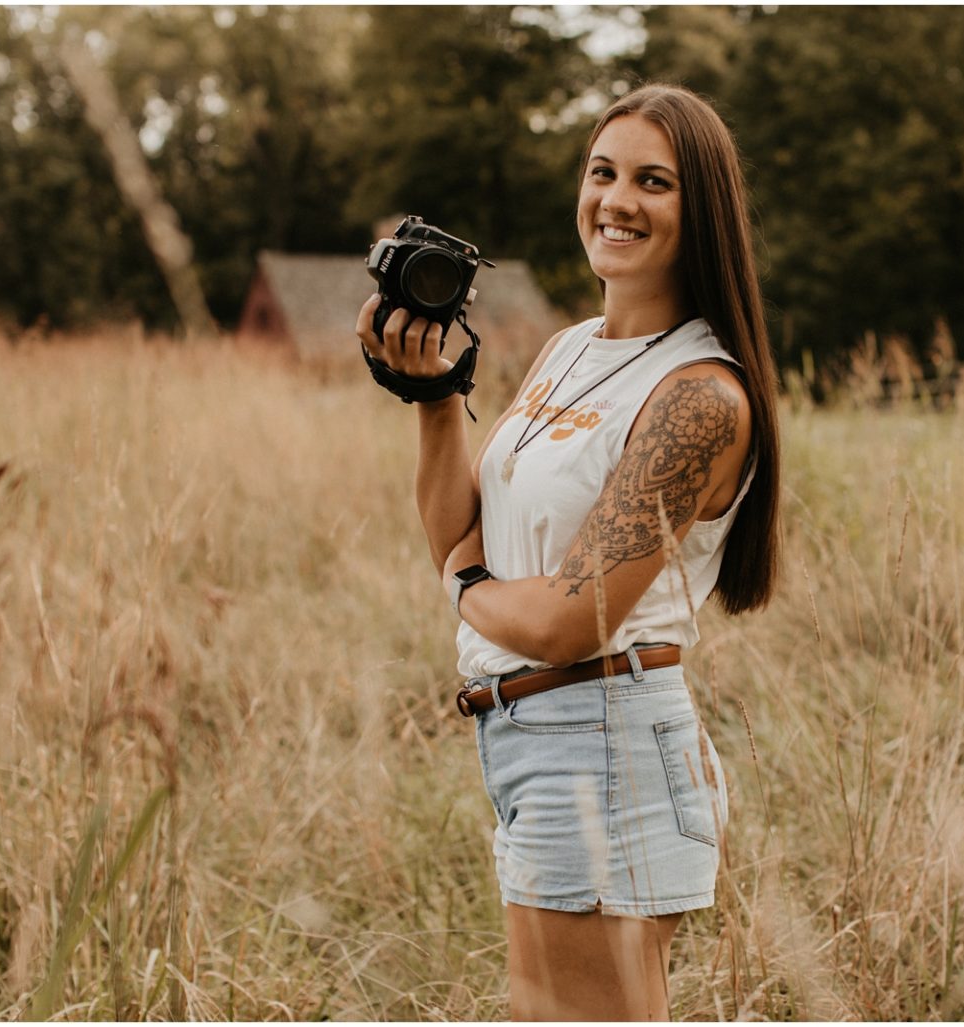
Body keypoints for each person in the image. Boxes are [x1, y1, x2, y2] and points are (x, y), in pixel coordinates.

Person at [356, 83, 781, 1021]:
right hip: (532, 738)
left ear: (702, 210)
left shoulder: (699, 396)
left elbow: (565, 621)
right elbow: (455, 526)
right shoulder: (569, 351)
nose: (616, 200)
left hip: (603, 740)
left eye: (653, 182)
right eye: (602, 172)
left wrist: (465, 583)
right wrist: (433, 395)